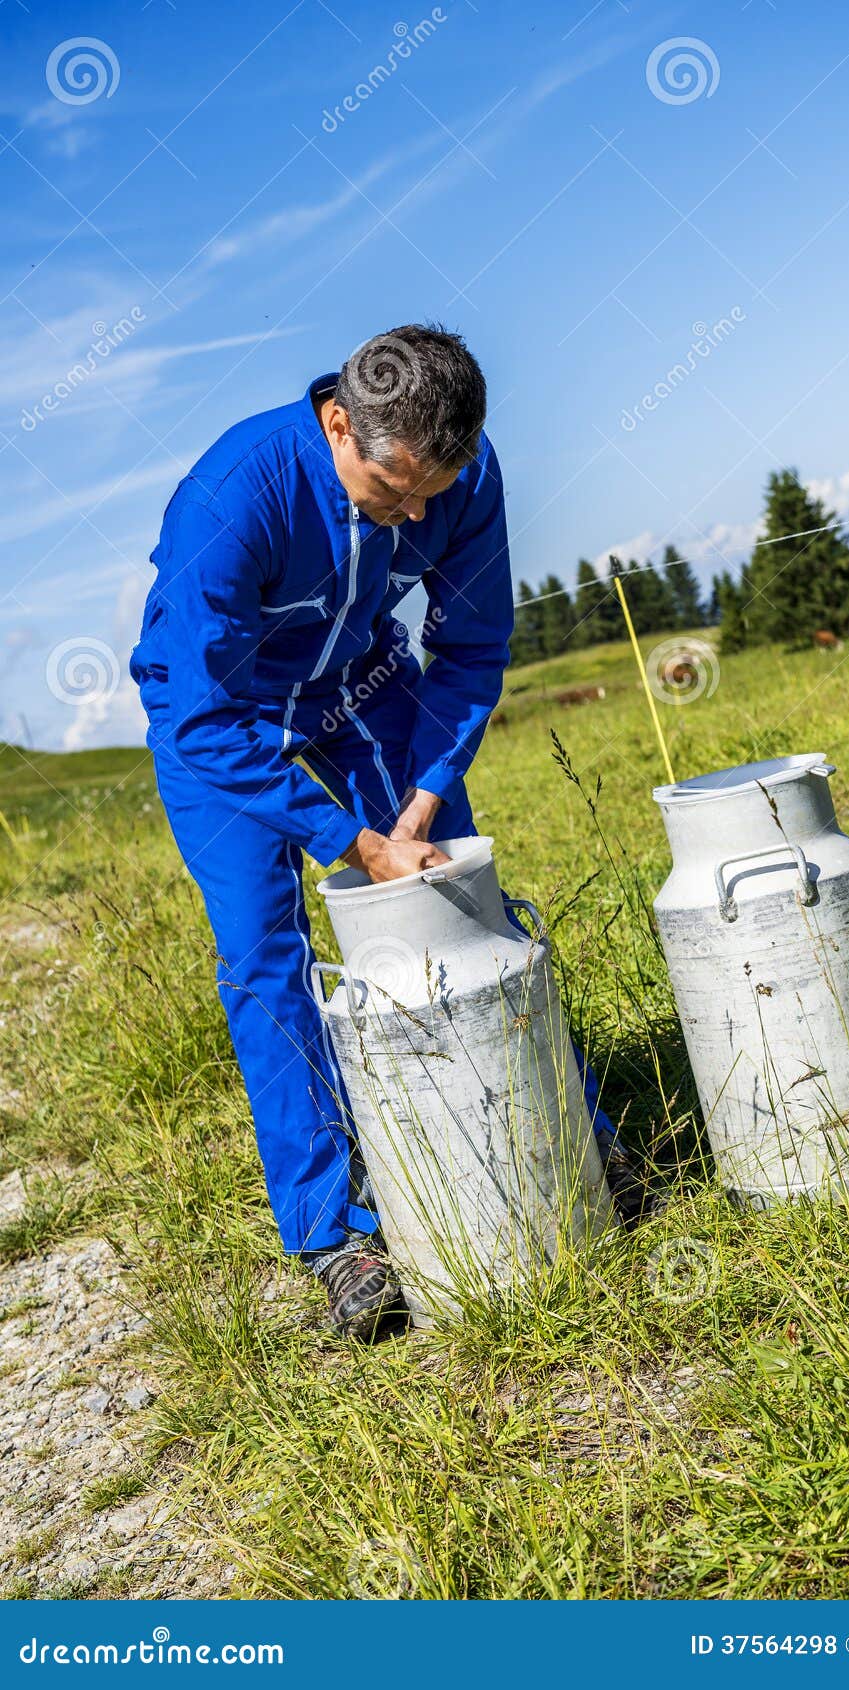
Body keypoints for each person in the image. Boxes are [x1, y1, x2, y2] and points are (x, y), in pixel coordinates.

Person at [132, 324, 640, 1338]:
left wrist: (426, 790)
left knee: (455, 890)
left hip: (358, 688)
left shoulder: (461, 472)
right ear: (337, 425)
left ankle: (570, 1139)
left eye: (433, 494)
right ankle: (335, 1232)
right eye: (396, 488)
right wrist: (354, 840)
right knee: (264, 955)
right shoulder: (234, 499)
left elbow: (472, 641)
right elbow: (193, 712)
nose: (416, 513)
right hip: (220, 722)